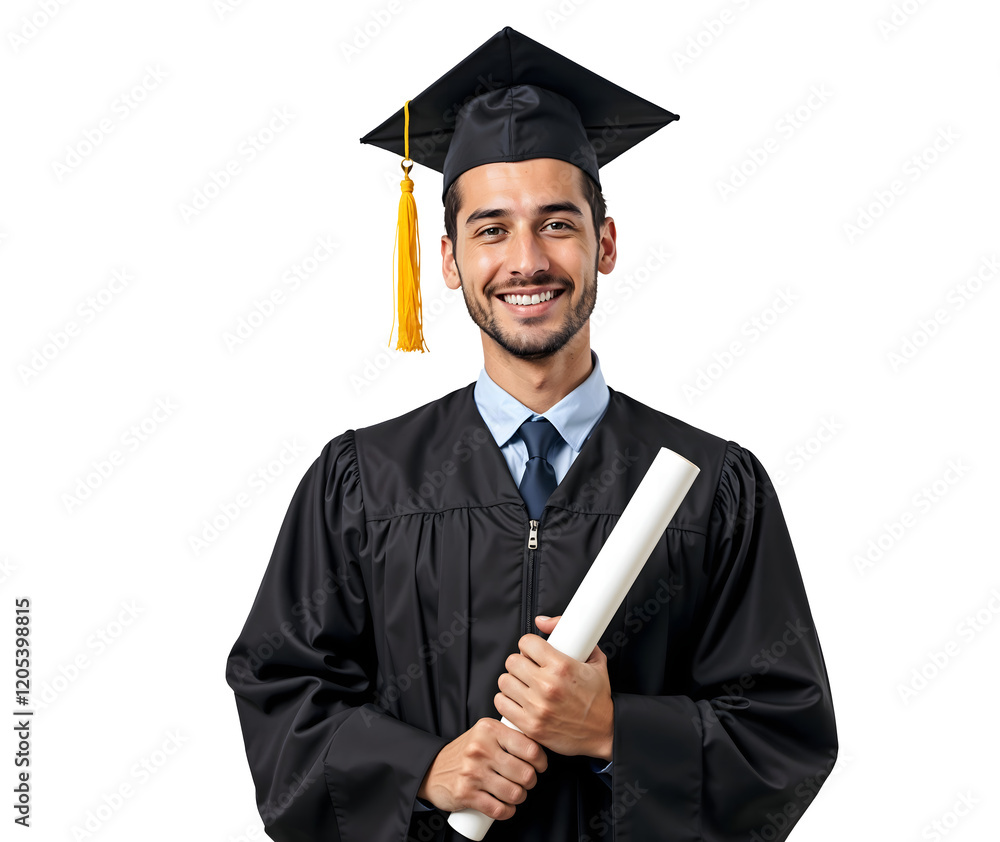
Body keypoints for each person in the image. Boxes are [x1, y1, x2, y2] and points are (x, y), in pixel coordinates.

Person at [226, 26, 837, 842]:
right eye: (490, 229)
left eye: (557, 223)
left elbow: (784, 735)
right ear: (446, 260)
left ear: (604, 244)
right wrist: (422, 771)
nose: (526, 259)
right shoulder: (363, 482)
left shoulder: (711, 486)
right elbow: (281, 693)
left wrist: (616, 731)